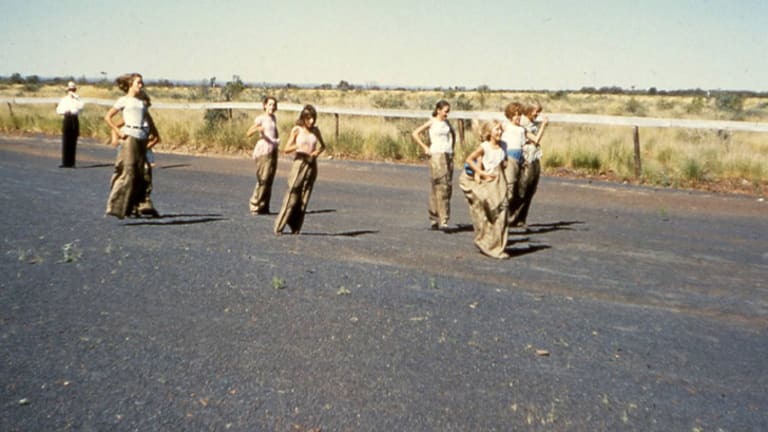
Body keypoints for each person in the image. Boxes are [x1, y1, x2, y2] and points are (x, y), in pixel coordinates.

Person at [104, 73, 159, 219]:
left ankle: (137, 206)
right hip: (130, 136)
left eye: (141, 83)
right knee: (128, 171)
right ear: (130, 84)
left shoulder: (141, 103)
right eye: (138, 83)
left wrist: (149, 139)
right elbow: (108, 117)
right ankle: (116, 206)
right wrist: (116, 132)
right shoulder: (123, 101)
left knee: (140, 173)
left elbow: (150, 124)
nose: (141, 86)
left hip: (141, 138)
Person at [459, 120, 510, 259]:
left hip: (501, 184)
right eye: (496, 130)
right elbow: (470, 160)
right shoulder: (485, 147)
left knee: (503, 214)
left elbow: (504, 162)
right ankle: (491, 246)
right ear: (489, 132)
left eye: (500, 129)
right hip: (490, 185)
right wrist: (481, 173)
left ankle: (498, 247)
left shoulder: (504, 146)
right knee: (492, 214)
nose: (499, 132)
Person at [273, 105, 326, 235]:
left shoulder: (315, 130)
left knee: (305, 195)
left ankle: (296, 227)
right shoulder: (297, 130)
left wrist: (316, 153)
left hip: (311, 164)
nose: (311, 121)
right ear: (303, 118)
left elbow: (323, 146)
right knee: (292, 193)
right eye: (308, 118)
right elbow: (286, 149)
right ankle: (279, 226)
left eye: (313, 118)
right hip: (299, 162)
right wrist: (299, 146)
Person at [412, 100, 455, 230]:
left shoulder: (447, 123)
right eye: (445, 111)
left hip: (447, 154)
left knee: (447, 186)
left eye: (448, 111)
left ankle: (437, 217)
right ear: (438, 110)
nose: (447, 114)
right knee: (439, 185)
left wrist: (452, 148)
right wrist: (425, 147)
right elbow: (415, 133)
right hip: (436, 155)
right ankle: (441, 219)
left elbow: (453, 134)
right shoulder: (432, 122)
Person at [510, 102, 548, 227]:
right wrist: (543, 126)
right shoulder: (523, 122)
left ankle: (520, 218)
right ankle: (513, 216)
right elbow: (535, 140)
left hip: (534, 156)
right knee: (523, 188)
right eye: (535, 111)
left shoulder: (530, 123)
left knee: (531, 189)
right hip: (527, 157)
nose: (537, 114)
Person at [247, 96, 280, 215]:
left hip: (273, 150)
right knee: (263, 179)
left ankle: (264, 205)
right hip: (263, 151)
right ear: (265, 105)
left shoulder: (273, 118)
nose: (272, 107)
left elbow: (274, 133)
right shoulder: (260, 118)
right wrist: (258, 129)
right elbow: (248, 133)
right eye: (270, 104)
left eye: (274, 105)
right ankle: (254, 204)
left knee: (270, 179)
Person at [55, 81, 85, 168]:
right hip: (67, 118)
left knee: (73, 140)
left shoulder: (78, 100)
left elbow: (81, 107)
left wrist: (76, 98)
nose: (71, 91)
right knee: (66, 140)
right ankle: (65, 162)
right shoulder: (64, 100)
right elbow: (58, 110)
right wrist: (64, 111)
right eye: (70, 89)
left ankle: (72, 162)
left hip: (74, 119)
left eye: (73, 89)